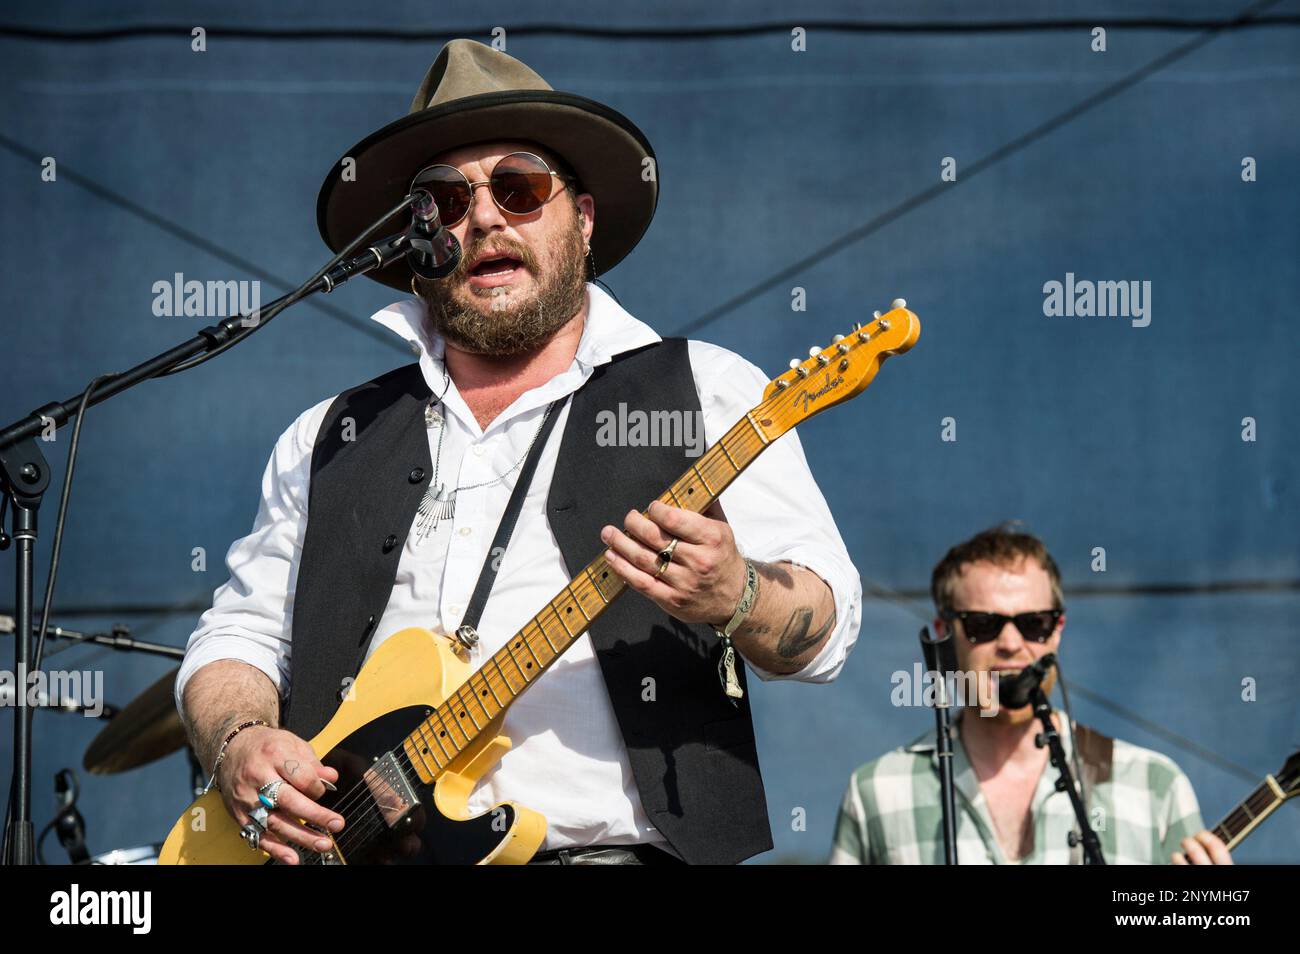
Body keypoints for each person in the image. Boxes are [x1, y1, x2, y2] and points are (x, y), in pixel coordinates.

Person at [175, 39, 862, 866]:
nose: (486, 217)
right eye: (443, 201)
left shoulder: (704, 390)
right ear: (412, 244)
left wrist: (739, 591)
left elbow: (825, 629)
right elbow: (239, 636)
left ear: (585, 216)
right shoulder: (325, 434)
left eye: (520, 187)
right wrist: (240, 741)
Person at [830, 524, 1232, 865]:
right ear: (942, 634)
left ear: (1056, 630)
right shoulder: (877, 792)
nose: (1010, 642)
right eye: (983, 624)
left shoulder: (1154, 785)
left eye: (1033, 623)